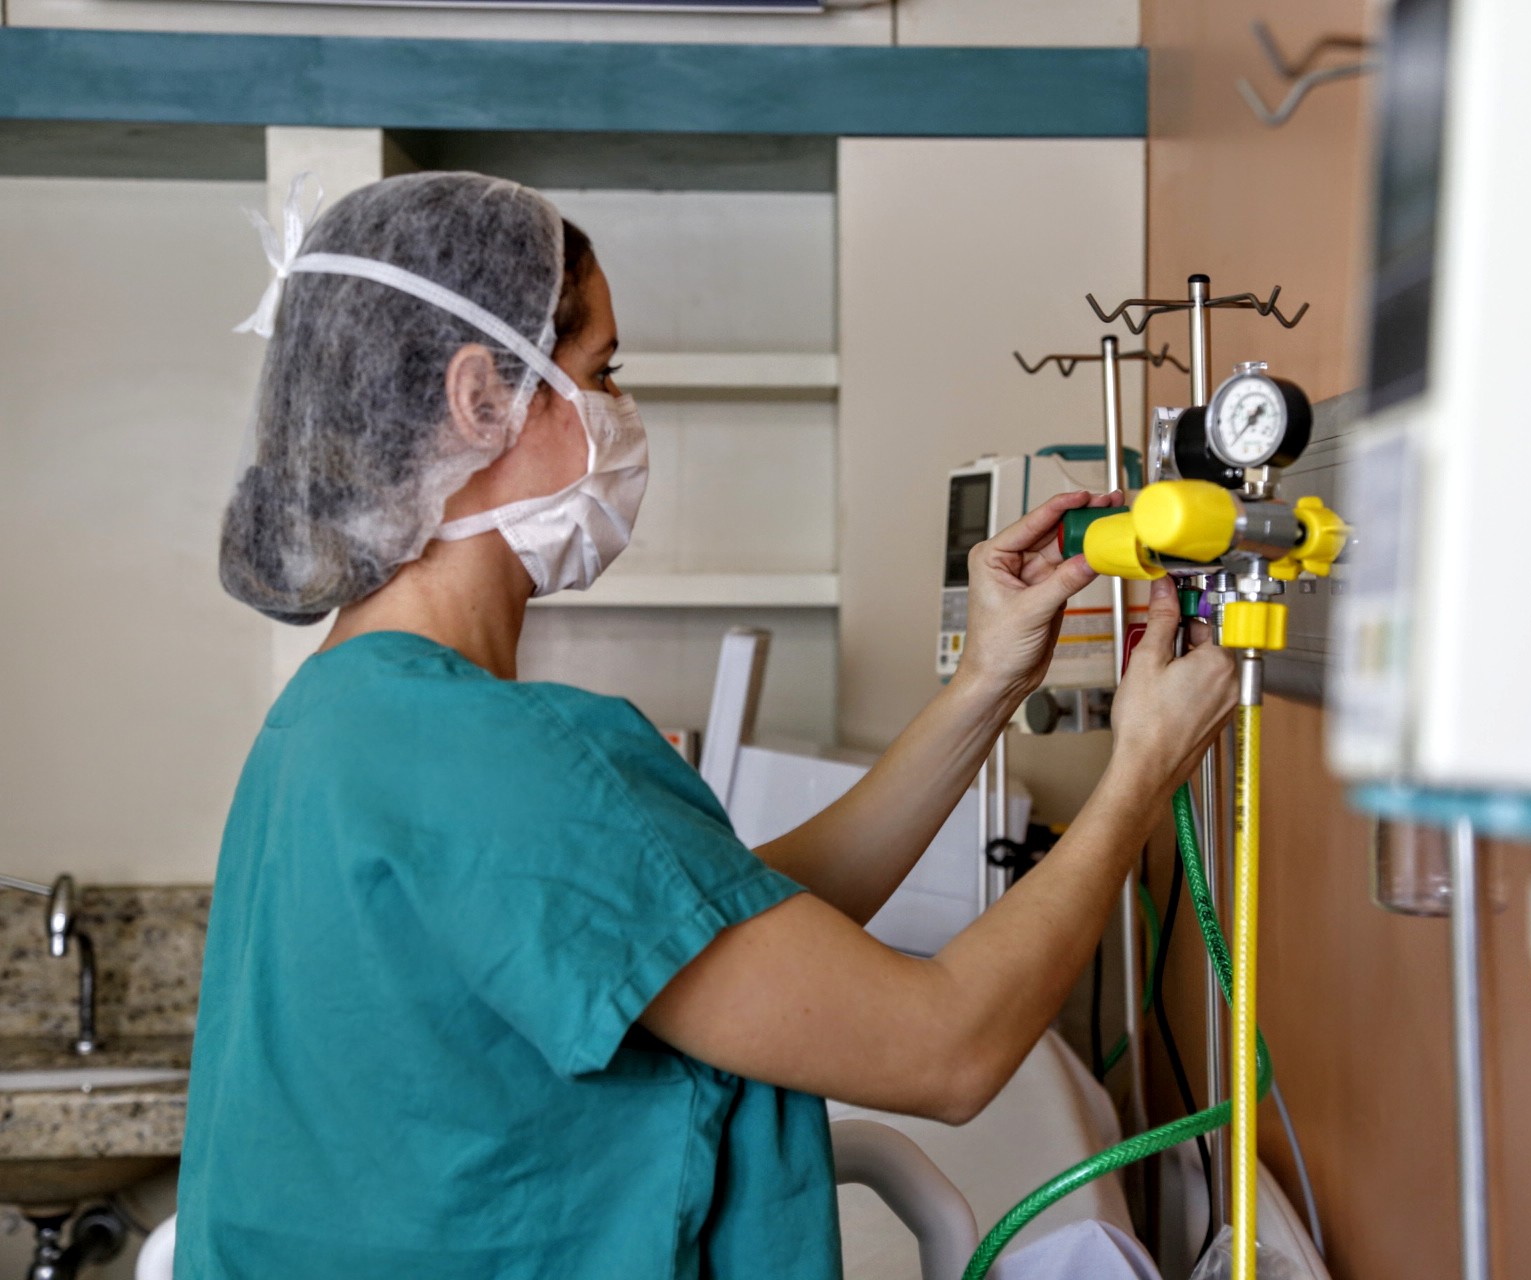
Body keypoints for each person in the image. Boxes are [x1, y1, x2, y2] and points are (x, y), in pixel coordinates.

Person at [177, 171, 1235, 1279]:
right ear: (480, 397)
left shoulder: (338, 714)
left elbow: (728, 931)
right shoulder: (503, 757)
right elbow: (948, 1045)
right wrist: (1144, 769)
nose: (624, 415)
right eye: (601, 373)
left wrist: (984, 687)